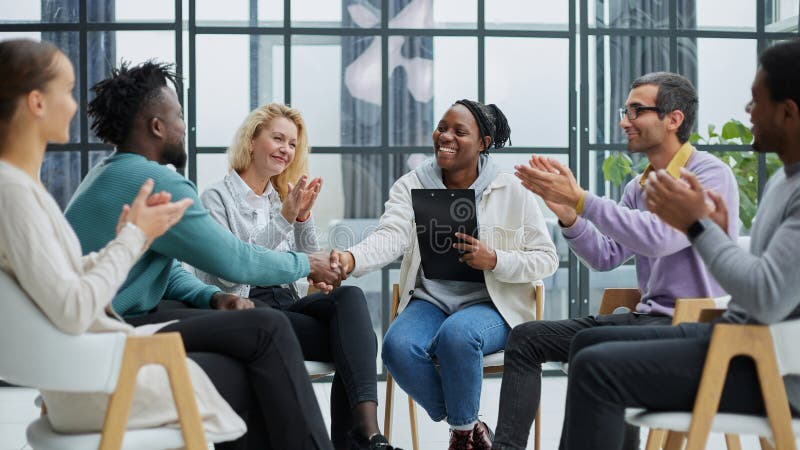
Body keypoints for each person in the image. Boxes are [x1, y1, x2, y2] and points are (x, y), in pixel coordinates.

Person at [63, 60, 335, 449]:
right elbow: (236, 261)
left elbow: (162, 267)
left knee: (245, 348)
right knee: (266, 327)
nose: (183, 127)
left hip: (106, 319)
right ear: (157, 127)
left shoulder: (104, 172)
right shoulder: (159, 182)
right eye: (178, 117)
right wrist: (307, 263)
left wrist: (212, 297)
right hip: (111, 330)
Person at [555, 37, 800, 450]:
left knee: (596, 368)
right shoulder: (782, 180)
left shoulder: (729, 175)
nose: (747, 111)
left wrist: (700, 228)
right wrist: (716, 234)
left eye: (756, 101)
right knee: (586, 345)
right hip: (734, 336)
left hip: (766, 365)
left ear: (788, 111)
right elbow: (760, 280)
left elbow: (767, 297)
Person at [0, 38, 247, 442]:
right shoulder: (13, 194)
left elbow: (65, 282)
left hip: (86, 373)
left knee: (255, 344)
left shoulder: (21, 189)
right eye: (67, 91)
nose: (75, 105)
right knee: (257, 359)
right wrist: (134, 237)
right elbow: (74, 307)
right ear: (36, 103)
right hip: (97, 382)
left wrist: (127, 239)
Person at [493, 72, 740, 450]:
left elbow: (659, 237)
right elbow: (605, 256)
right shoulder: (637, 187)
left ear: (673, 119)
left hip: (691, 321)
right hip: (646, 318)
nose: (625, 121)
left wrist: (583, 200)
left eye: (636, 111)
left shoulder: (709, 174)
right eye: (625, 110)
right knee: (526, 338)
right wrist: (569, 216)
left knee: (592, 347)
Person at [332, 100, 559, 450]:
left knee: (457, 336)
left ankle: (461, 435)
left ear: (483, 143)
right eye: (442, 127)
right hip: (431, 302)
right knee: (397, 347)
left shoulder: (511, 188)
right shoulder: (412, 184)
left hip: (493, 306)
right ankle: (468, 428)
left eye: (459, 131)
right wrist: (350, 258)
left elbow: (546, 259)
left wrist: (494, 259)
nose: (445, 136)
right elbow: (390, 236)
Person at [196, 102, 399, 450]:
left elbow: (307, 259)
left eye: (292, 144)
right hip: (248, 310)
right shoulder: (216, 199)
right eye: (278, 138)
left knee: (350, 301)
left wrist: (302, 218)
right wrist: (285, 219)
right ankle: (361, 442)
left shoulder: (280, 198)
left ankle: (367, 431)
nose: (286, 150)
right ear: (251, 141)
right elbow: (233, 271)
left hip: (288, 306)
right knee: (350, 340)